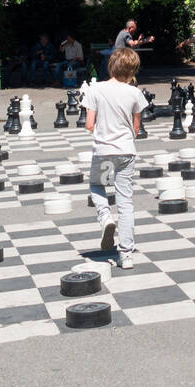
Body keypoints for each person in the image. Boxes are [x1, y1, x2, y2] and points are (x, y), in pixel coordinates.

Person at [80, 47, 148, 269]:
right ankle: (126, 254)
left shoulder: (95, 89)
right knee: (125, 201)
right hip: (126, 152)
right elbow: (136, 128)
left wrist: (103, 129)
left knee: (96, 185)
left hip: (104, 151)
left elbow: (89, 124)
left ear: (111, 66)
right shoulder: (135, 93)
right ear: (132, 71)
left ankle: (105, 217)